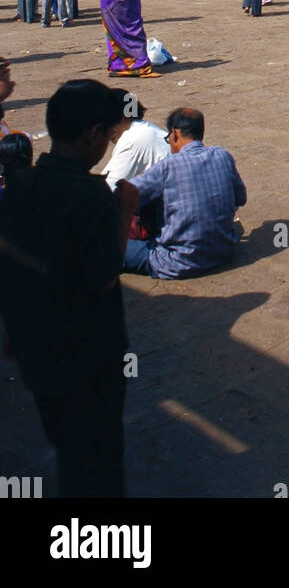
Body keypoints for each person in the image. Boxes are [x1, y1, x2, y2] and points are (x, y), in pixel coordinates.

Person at [0, 79, 135, 496]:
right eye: (109, 136)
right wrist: (124, 215)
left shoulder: (20, 184)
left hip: (36, 345)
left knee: (65, 439)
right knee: (95, 455)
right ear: (94, 134)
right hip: (85, 351)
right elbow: (104, 276)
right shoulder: (91, 194)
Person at [122, 108, 246, 278]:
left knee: (108, 248)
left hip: (177, 261)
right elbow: (241, 198)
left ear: (174, 134)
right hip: (224, 251)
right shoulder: (223, 155)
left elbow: (125, 196)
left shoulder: (166, 167)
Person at [101, 99, 170, 190]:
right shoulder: (146, 128)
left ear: (124, 119)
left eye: (108, 125)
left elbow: (108, 187)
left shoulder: (132, 139)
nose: (108, 134)